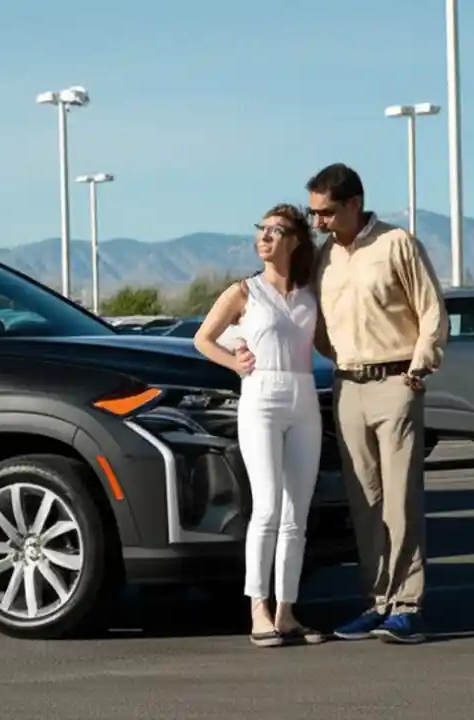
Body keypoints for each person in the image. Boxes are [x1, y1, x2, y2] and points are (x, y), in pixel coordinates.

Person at [294, 162, 446, 644]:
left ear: (354, 204)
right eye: (313, 213)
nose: (318, 221)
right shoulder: (326, 257)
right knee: (364, 501)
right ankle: (378, 602)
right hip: (347, 385)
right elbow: (320, 324)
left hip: (396, 381)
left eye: (326, 212)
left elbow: (431, 309)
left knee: (400, 501)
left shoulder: (396, 244)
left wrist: (418, 368)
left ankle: (408, 606)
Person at [194, 203, 327, 648]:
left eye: (276, 230)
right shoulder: (244, 291)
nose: (265, 236)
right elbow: (202, 339)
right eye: (261, 229)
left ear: (295, 240)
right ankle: (258, 608)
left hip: (304, 398)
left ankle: (287, 612)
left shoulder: (309, 292)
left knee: (296, 515)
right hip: (261, 399)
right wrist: (234, 361)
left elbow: (326, 341)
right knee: (267, 507)